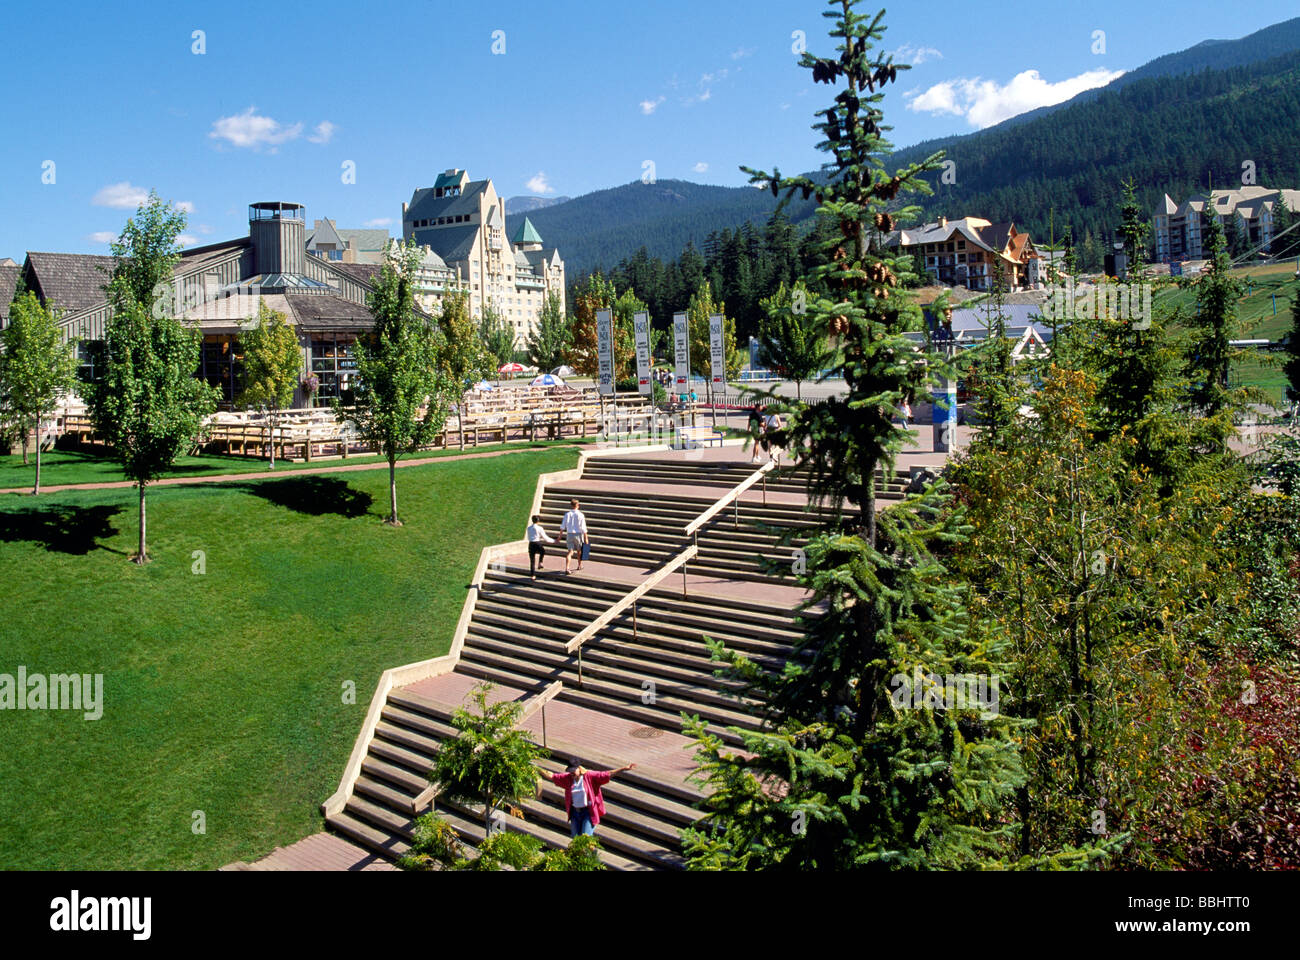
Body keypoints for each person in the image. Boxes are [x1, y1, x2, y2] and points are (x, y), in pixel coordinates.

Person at [537, 760, 636, 838]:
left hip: (588, 812)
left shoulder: (589, 776)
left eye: (573, 770)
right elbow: (552, 776)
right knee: (575, 839)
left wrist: (623, 769)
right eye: (569, 771)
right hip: (575, 813)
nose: (571, 773)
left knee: (586, 838)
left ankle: (591, 860)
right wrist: (536, 768)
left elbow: (606, 774)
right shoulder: (567, 778)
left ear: (579, 769)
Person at [561, 498, 589, 574]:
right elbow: (583, 527)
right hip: (578, 534)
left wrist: (559, 536)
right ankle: (579, 565)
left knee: (570, 552)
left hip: (569, 534)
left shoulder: (567, 514)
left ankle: (567, 568)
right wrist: (586, 538)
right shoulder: (581, 515)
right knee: (579, 551)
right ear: (577, 505)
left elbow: (562, 526)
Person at [525, 514, 554, 580]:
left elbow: (528, 536)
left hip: (531, 544)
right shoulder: (539, 528)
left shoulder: (528, 528)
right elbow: (545, 537)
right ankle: (540, 562)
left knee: (532, 560)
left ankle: (533, 575)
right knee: (542, 551)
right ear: (538, 521)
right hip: (537, 543)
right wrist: (554, 541)